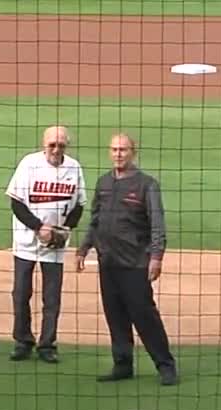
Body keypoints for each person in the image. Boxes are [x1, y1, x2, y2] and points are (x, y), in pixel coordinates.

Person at [75, 132, 178, 385]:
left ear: (133, 152)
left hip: (135, 263)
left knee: (144, 315)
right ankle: (122, 364)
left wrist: (156, 257)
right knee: (115, 314)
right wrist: (84, 247)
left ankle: (165, 365)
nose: (118, 154)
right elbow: (96, 220)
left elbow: (157, 224)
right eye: (114, 150)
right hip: (107, 261)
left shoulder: (147, 184)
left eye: (123, 150)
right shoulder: (103, 183)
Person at [4, 125, 88, 364]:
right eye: (52, 144)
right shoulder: (29, 164)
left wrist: (65, 229)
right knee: (21, 293)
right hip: (25, 242)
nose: (56, 149)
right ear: (44, 144)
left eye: (61, 145)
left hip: (56, 245)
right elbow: (16, 203)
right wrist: (38, 227)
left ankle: (47, 345)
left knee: (52, 298)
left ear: (66, 146)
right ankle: (23, 341)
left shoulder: (74, 167)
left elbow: (79, 204)